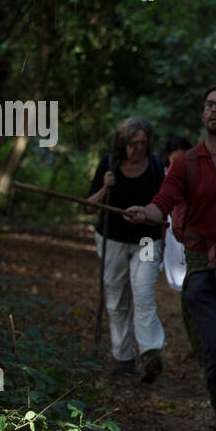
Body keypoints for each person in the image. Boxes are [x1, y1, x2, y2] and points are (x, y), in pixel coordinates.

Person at [123, 86, 216, 431]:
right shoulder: (185, 163)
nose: (213, 110)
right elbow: (163, 202)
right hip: (202, 263)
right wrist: (145, 213)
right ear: (203, 115)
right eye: (208, 105)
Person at [86, 117, 167, 382]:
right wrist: (106, 187)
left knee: (143, 295)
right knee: (117, 299)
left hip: (146, 240)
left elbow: (164, 205)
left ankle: (150, 353)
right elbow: (89, 206)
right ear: (123, 144)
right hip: (114, 240)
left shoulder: (155, 166)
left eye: (143, 143)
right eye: (133, 144)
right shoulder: (108, 165)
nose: (138, 148)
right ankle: (123, 357)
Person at [160, 136, 203, 364]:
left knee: (199, 291)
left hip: (200, 242)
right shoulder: (165, 178)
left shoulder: (200, 174)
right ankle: (197, 345)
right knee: (187, 292)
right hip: (175, 238)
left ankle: (206, 345)